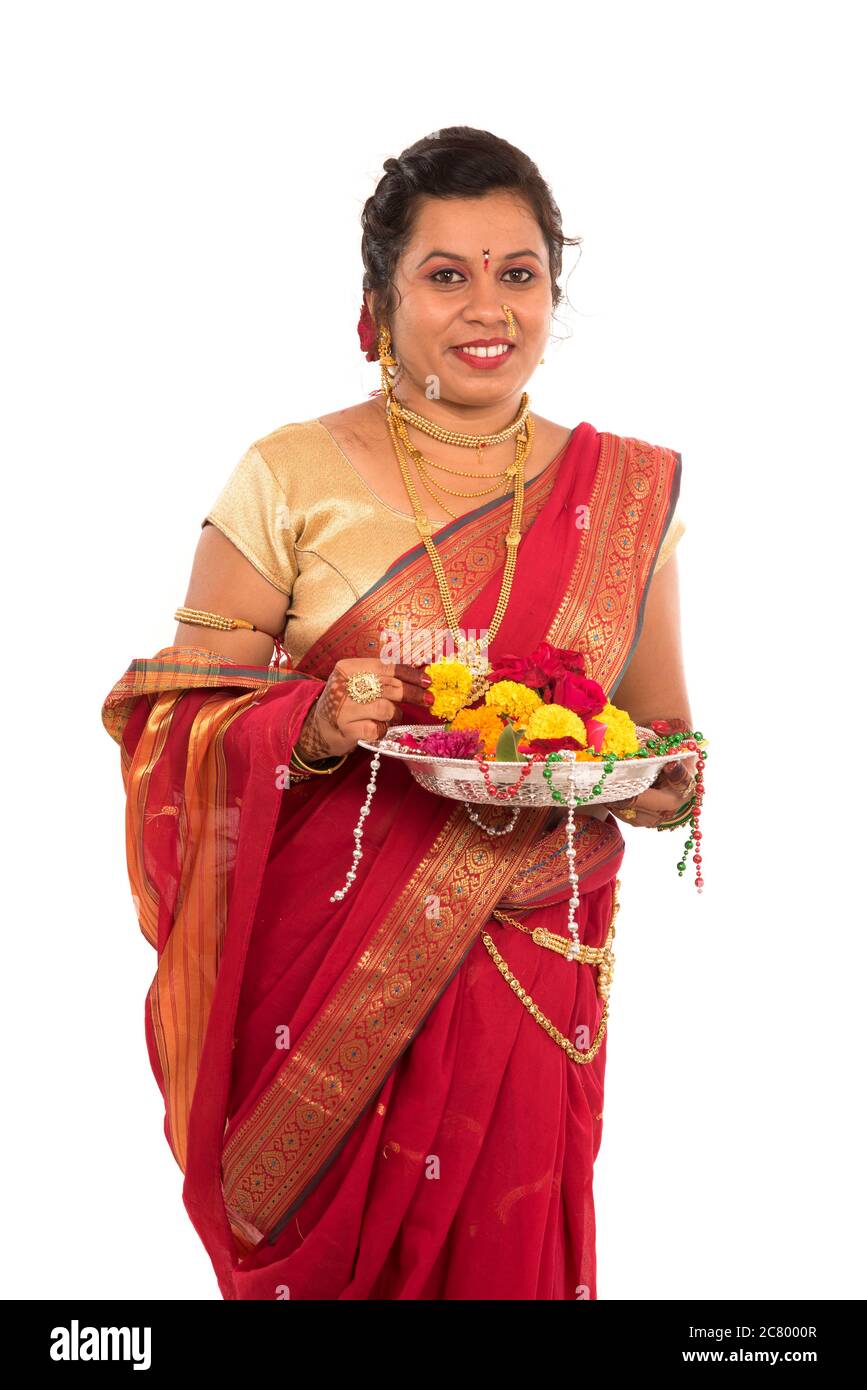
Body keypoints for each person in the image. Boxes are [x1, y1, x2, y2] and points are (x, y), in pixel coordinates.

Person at [101, 126, 697, 1300]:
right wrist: (309, 724)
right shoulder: (290, 475)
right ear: (378, 301)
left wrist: (665, 780)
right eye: (447, 273)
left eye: (518, 272)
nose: (489, 308)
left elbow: (665, 731)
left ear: (552, 293)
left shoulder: (624, 494)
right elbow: (174, 721)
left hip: (531, 970)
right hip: (329, 994)